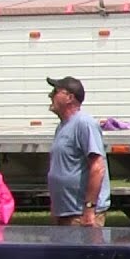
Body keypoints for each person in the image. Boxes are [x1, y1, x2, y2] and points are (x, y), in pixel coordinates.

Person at [46, 76, 111, 227]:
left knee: (85, 251)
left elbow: (98, 168)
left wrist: (89, 209)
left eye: (55, 91)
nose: (50, 95)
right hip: (65, 212)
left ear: (69, 98)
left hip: (81, 215)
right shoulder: (62, 127)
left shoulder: (84, 123)